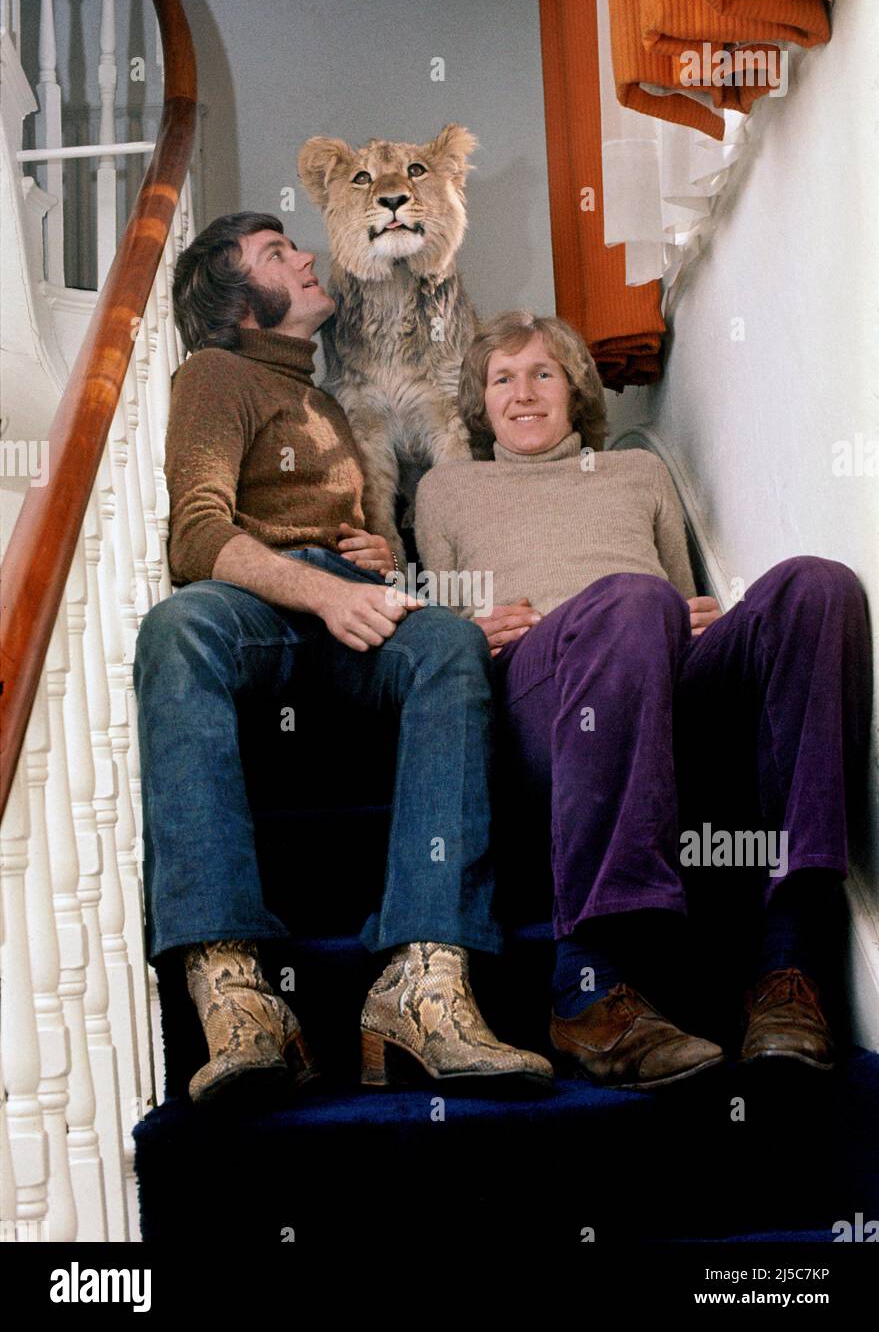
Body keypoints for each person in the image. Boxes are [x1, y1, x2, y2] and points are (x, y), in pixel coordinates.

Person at [132, 216, 553, 1110]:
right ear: (242, 304)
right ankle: (236, 992)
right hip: (262, 607)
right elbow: (200, 533)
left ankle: (424, 982)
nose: (308, 257)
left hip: (343, 604)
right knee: (176, 630)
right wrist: (322, 590)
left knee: (445, 641)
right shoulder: (214, 374)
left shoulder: (324, 400)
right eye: (279, 255)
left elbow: (355, 547)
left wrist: (371, 557)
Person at [414, 309, 872, 1090]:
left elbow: (679, 593)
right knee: (630, 600)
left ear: (575, 390)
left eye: (542, 374)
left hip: (651, 659)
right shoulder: (447, 487)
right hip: (538, 685)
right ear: (478, 401)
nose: (522, 393)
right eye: (501, 379)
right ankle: (592, 979)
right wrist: (463, 627)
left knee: (814, 588)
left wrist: (699, 615)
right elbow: (439, 628)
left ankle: (789, 964)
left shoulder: (638, 471)